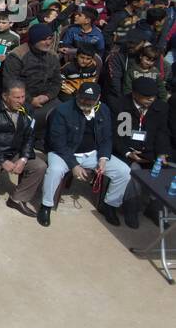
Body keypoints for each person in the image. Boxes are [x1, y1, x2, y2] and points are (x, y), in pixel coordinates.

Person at [40, 82, 131, 227]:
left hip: (92, 153)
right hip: (64, 152)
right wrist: (74, 165)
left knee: (123, 171)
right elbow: (58, 143)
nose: (86, 102)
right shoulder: (62, 110)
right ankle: (46, 206)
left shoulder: (104, 110)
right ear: (77, 95)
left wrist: (103, 158)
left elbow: (107, 137)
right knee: (55, 170)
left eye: (91, 99)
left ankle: (110, 206)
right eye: (83, 98)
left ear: (98, 98)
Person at [0, 83, 48, 219]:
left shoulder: (27, 109)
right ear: (5, 96)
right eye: (16, 97)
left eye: (22, 97)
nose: (21, 101)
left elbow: (30, 136)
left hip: (14, 150)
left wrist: (23, 158)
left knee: (40, 166)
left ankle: (17, 199)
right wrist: (2, 161)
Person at [114, 76, 171, 226]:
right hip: (127, 152)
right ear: (134, 94)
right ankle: (131, 209)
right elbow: (115, 136)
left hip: (150, 152)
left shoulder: (161, 108)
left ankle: (154, 208)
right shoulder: (121, 105)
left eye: (153, 96)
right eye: (146, 97)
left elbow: (162, 133)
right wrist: (127, 153)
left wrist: (161, 153)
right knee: (134, 173)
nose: (151, 100)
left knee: (161, 173)